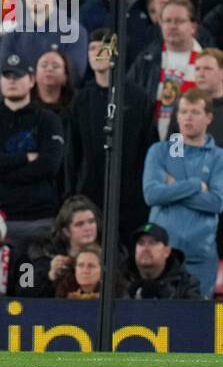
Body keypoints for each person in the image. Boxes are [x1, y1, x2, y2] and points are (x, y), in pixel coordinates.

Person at [66, 28, 156, 239]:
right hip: (91, 196)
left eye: (103, 48)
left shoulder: (138, 98)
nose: (97, 53)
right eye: (92, 48)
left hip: (132, 197)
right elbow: (72, 153)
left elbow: (148, 145)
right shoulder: (81, 100)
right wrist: (71, 195)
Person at [0, 54, 66, 246]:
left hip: (39, 216)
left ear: (31, 80)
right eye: (7, 76)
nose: (12, 81)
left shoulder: (49, 119)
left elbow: (49, 165)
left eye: (18, 76)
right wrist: (26, 158)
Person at [142, 88, 223, 296]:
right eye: (183, 112)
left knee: (196, 322)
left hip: (200, 256)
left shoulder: (220, 157)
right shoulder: (161, 151)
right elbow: (152, 195)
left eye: (195, 112)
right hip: (162, 256)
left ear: (208, 117)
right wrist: (194, 184)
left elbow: (216, 202)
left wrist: (173, 188)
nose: (187, 117)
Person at [128, 0, 203, 139]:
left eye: (179, 21)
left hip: (192, 146)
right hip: (151, 142)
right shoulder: (146, 61)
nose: (172, 26)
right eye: (167, 21)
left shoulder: (208, 62)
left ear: (193, 26)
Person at [0, 0, 87, 86]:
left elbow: (75, 75)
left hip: (62, 101)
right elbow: (5, 74)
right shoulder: (13, 34)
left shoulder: (74, 32)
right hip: (25, 100)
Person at [124, 221, 203, 298]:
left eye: (152, 243)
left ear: (166, 251)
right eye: (141, 243)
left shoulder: (186, 284)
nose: (145, 248)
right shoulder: (119, 279)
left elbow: (212, 310)